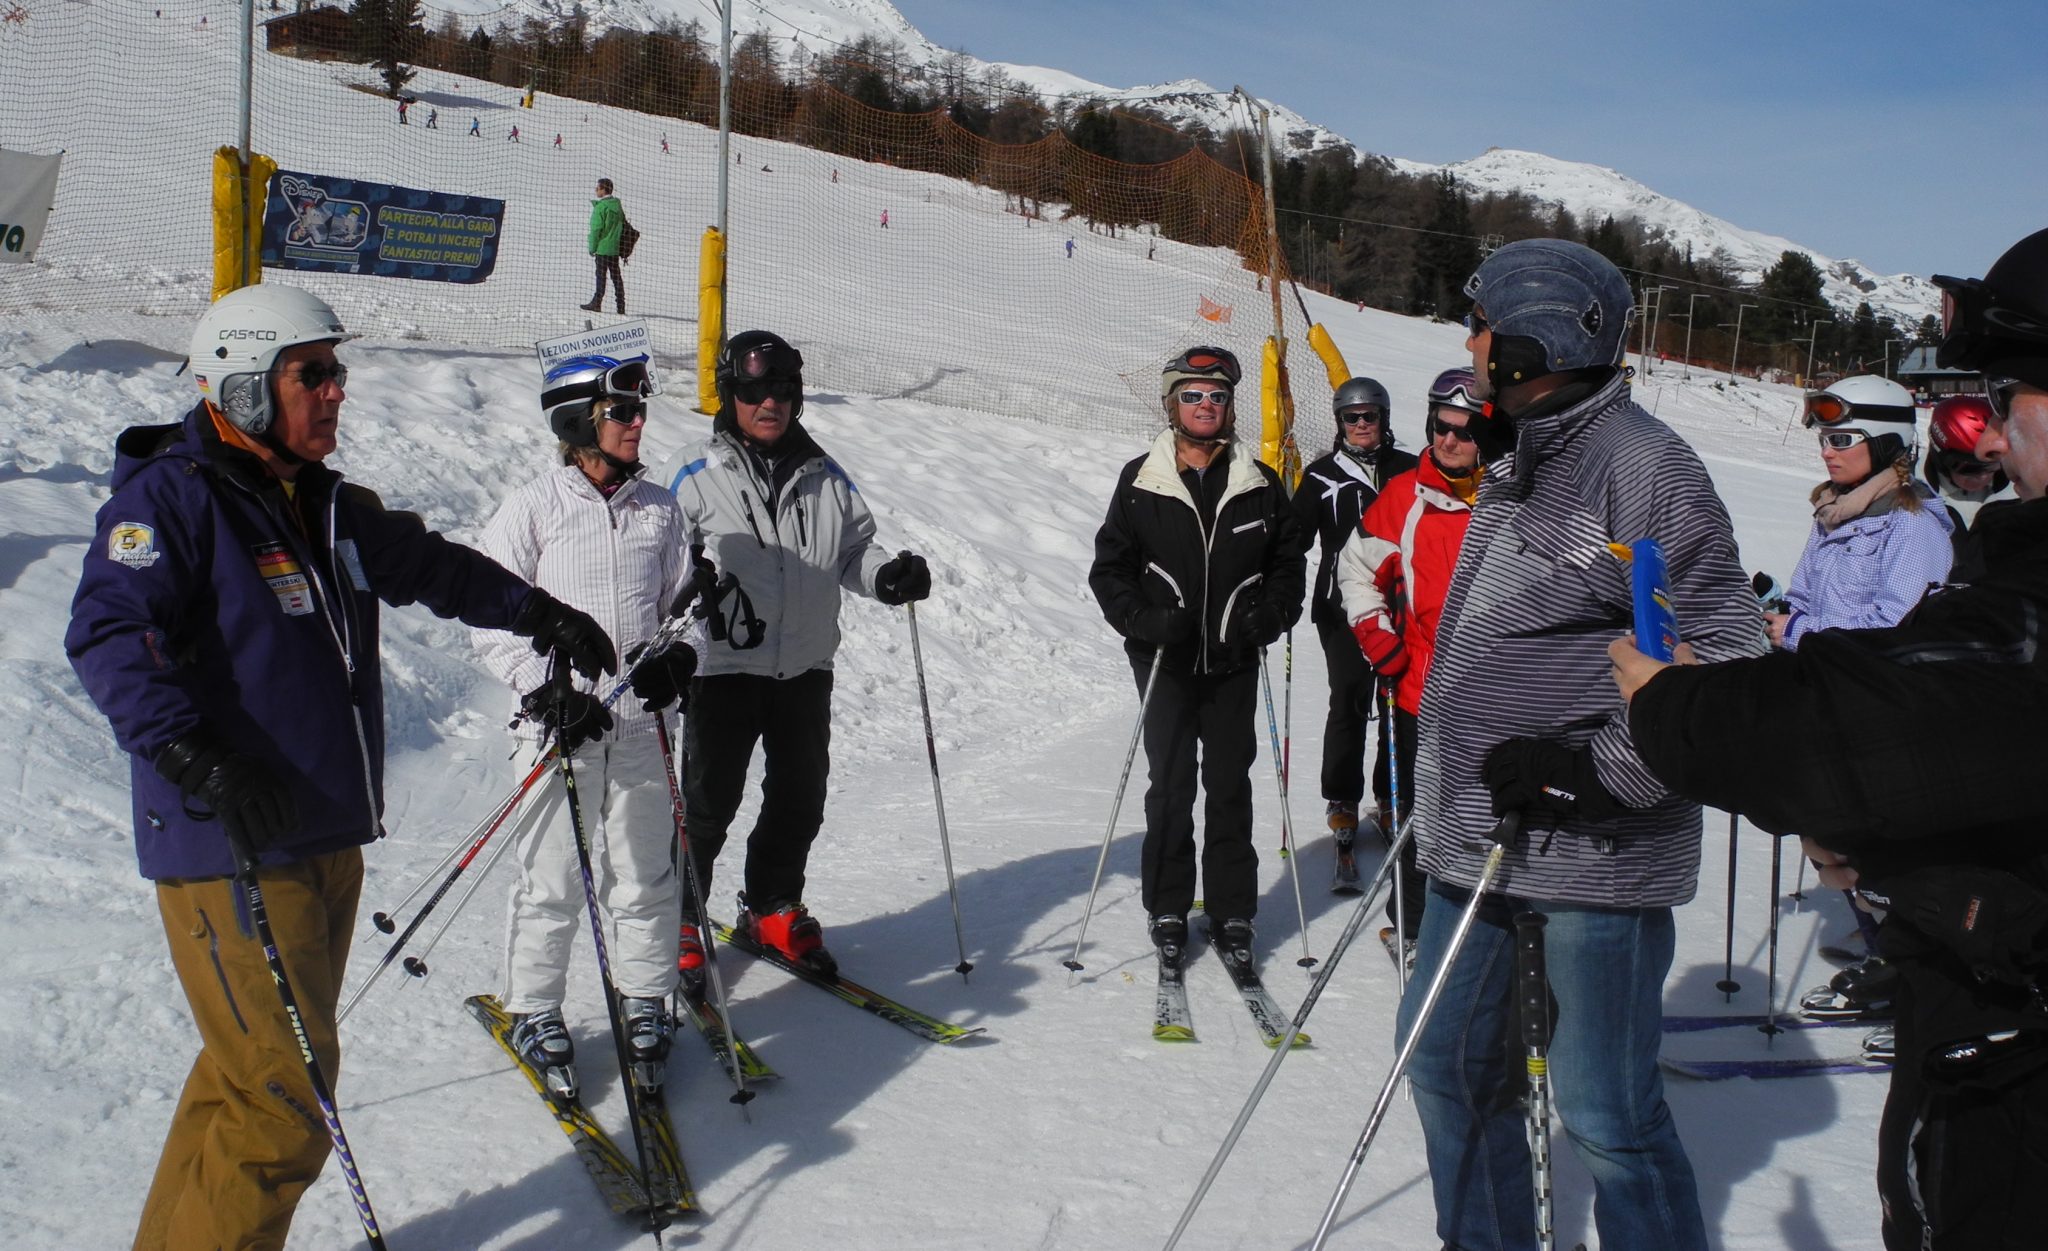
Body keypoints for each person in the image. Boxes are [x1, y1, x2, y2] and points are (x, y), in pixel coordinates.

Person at [65, 284, 613, 1251]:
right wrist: (199, 759)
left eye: (338, 372)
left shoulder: (318, 505)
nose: (336, 392)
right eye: (311, 374)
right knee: (283, 1105)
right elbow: (109, 635)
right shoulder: (173, 498)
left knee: (247, 1080)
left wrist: (541, 613)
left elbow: (433, 567)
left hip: (319, 837)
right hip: (231, 846)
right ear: (241, 387)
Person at [1614, 228, 2048, 1251]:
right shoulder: (1839, 521)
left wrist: (1682, 704)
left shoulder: (1926, 534)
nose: (1982, 440)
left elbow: (1913, 686)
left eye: (2001, 405)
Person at [1395, 238, 1762, 1251]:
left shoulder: (1640, 466)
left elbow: (1725, 651)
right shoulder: (1524, 450)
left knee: (1602, 1113)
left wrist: (1594, 776)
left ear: (1533, 339)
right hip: (1475, 839)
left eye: (1481, 325)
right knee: (1442, 1068)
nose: (1467, 345)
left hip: (1592, 854)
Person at [656, 331, 930, 981]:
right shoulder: (695, 472)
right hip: (723, 666)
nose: (768, 403)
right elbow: (663, 560)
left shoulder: (825, 476)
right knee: (708, 800)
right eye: (753, 391)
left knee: (800, 796)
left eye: (781, 390)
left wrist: (886, 576)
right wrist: (685, 586)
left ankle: (772, 904)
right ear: (731, 394)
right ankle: (681, 915)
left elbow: (852, 552)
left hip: (805, 665)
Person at [474, 355, 697, 1095]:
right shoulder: (533, 507)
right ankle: (535, 1006)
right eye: (621, 411)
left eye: (639, 409)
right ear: (578, 423)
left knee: (643, 873)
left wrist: (682, 659)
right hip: (560, 729)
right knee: (553, 879)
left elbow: (684, 613)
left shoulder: (661, 510)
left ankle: (644, 996)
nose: (638, 423)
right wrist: (546, 690)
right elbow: (492, 619)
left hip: (640, 727)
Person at [1088, 345, 1307, 969]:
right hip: (1166, 659)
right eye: (1193, 396)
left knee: (1230, 783)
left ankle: (1232, 908)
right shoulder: (1141, 479)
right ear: (1171, 404)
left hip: (1233, 659)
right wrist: (1141, 619)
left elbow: (1288, 564)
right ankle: (1167, 904)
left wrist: (1271, 614)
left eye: (1216, 397)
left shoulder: (1260, 482)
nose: (1206, 406)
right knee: (1173, 783)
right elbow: (1111, 570)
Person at [1767, 374, 1952, 997]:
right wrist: (1777, 614)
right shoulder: (1836, 516)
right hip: (1831, 707)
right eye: (1824, 437)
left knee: (1874, 851)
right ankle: (1888, 948)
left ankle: (1917, 970)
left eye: (1843, 437)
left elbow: (1898, 631)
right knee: (1830, 841)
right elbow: (1804, 598)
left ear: (1888, 443)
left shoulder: (1914, 525)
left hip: (1889, 717)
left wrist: (1798, 629)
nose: (1828, 450)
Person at [1333, 367, 1484, 959]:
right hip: (1419, 687)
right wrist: (1380, 639)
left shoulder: (1510, 496)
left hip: (1493, 689)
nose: (1449, 441)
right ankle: (1415, 924)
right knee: (1422, 815)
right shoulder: (1404, 497)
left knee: (1485, 814)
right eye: (1441, 428)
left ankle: (1486, 920)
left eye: (1465, 432)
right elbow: (1358, 570)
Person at [1292, 375, 1416, 851]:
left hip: (1403, 604)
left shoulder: (1409, 469)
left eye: (1369, 416)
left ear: (1383, 418)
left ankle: (1391, 796)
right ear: (1339, 421)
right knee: (1348, 694)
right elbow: (1294, 539)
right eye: (1351, 417)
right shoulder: (1322, 474)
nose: (1361, 424)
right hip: (1339, 606)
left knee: (1396, 698)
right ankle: (1341, 797)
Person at [1923, 393, 2011, 567]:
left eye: (1993, 466)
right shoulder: (1913, 497)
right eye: (1970, 469)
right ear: (1942, 460)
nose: (1983, 477)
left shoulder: (2019, 494)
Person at [582, 178, 624, 315]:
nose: (596, 190)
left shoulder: (601, 207)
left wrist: (592, 247)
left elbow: (596, 230)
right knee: (616, 276)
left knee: (601, 276)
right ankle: (621, 305)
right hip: (614, 248)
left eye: (597, 188)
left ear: (603, 189)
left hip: (602, 247)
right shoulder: (617, 205)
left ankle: (597, 302)